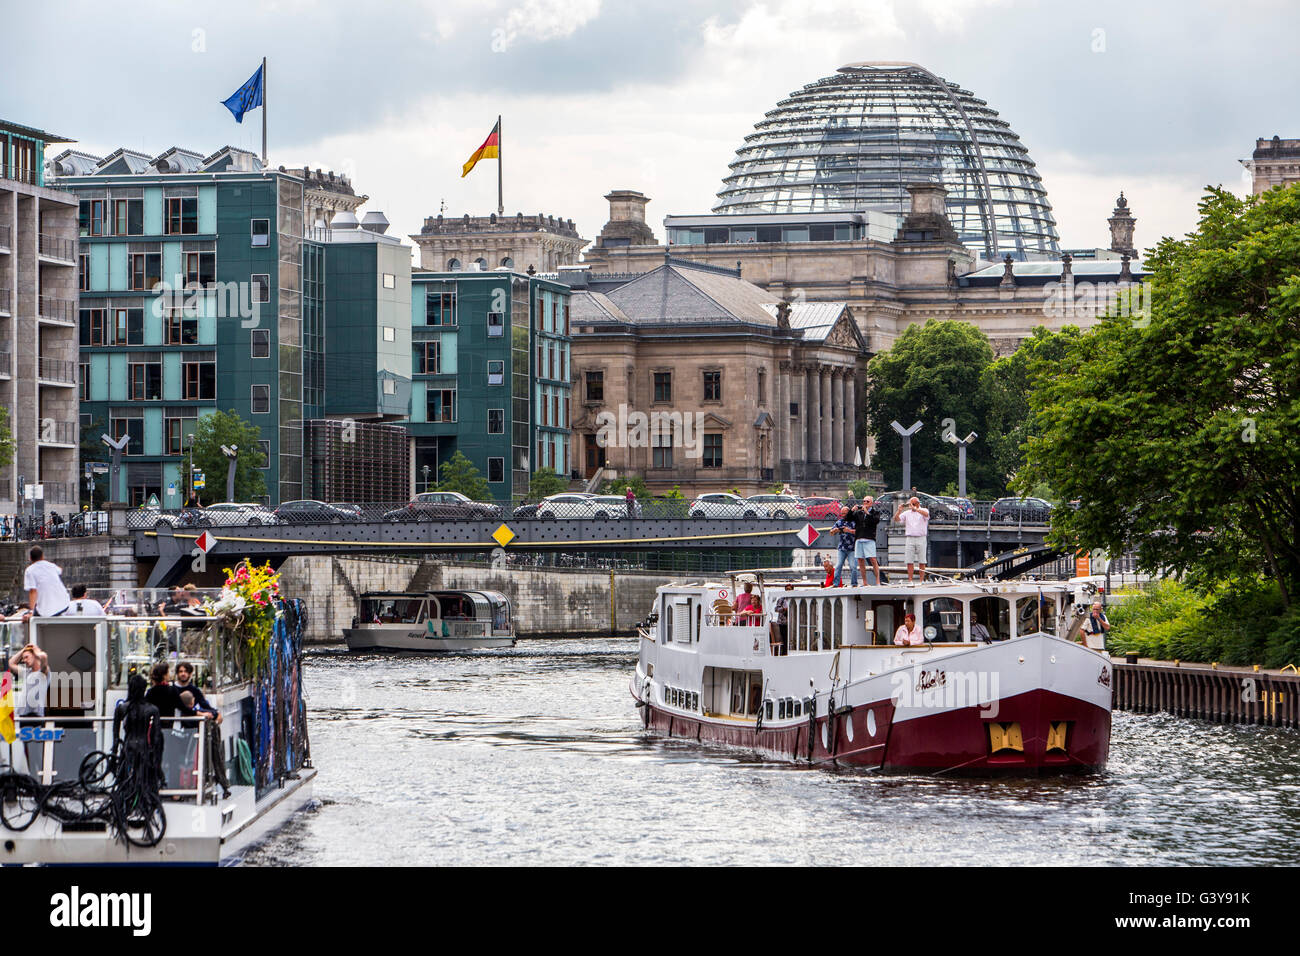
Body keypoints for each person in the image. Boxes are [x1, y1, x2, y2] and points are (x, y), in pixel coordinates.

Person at [23, 545, 70, 621]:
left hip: (46, 610)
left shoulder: (30, 570)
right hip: (64, 604)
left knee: (27, 617)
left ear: (30, 558)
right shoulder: (51, 566)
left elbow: (33, 591)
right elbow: (60, 570)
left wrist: (31, 611)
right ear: (42, 556)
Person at [893, 497, 930, 582]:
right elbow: (896, 519)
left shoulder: (924, 510)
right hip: (910, 538)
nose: (911, 506)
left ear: (918, 503)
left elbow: (926, 515)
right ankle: (910, 580)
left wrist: (916, 509)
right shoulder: (907, 513)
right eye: (910, 504)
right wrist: (899, 510)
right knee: (909, 560)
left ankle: (921, 580)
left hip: (921, 537)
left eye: (913, 504)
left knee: (922, 560)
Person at [7, 643, 49, 718]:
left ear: (35, 656)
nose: (24, 660)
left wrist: (36, 651)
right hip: (23, 714)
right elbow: (11, 663)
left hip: (36, 715)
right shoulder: (26, 672)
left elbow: (44, 657)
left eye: (26, 657)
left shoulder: (43, 672)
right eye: (23, 658)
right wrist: (24, 649)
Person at [853, 496, 884, 585]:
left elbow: (875, 521)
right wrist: (852, 510)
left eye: (867, 501)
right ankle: (865, 582)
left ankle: (878, 581)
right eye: (864, 501)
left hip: (869, 538)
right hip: (859, 538)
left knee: (873, 560)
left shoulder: (875, 512)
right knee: (860, 560)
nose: (865, 503)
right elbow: (848, 518)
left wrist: (867, 512)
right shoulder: (859, 513)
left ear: (871, 503)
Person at [831, 505, 858, 586]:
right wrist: (834, 530)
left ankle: (854, 583)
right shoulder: (839, 522)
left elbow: (859, 532)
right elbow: (831, 532)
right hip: (842, 548)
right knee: (838, 566)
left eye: (845, 513)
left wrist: (849, 531)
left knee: (853, 567)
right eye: (842, 514)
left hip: (852, 548)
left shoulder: (854, 522)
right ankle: (836, 584)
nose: (843, 515)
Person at [772, 583, 793, 656]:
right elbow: (776, 609)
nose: (787, 591)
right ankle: (784, 653)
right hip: (782, 622)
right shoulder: (781, 599)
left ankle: (789, 652)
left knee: (790, 638)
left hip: (791, 622)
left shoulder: (794, 599)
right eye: (786, 589)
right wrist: (783, 609)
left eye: (789, 589)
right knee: (783, 639)